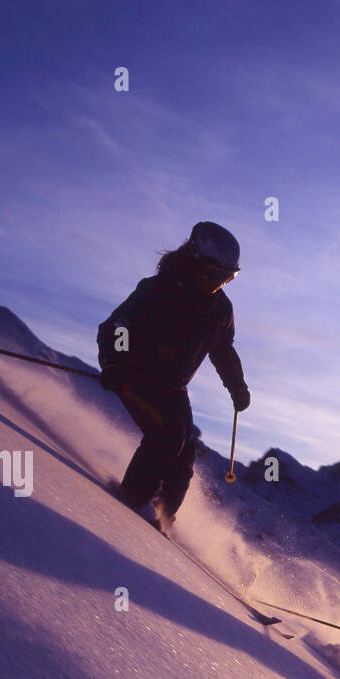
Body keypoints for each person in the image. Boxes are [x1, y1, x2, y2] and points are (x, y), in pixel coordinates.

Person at [96, 221, 251, 529]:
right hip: (136, 372)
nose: (218, 284)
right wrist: (114, 363)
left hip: (173, 386)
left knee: (185, 450)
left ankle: (163, 520)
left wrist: (237, 387)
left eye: (227, 278)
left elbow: (223, 350)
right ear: (195, 259)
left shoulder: (219, 309)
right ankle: (130, 503)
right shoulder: (159, 290)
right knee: (167, 435)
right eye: (213, 275)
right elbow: (117, 328)